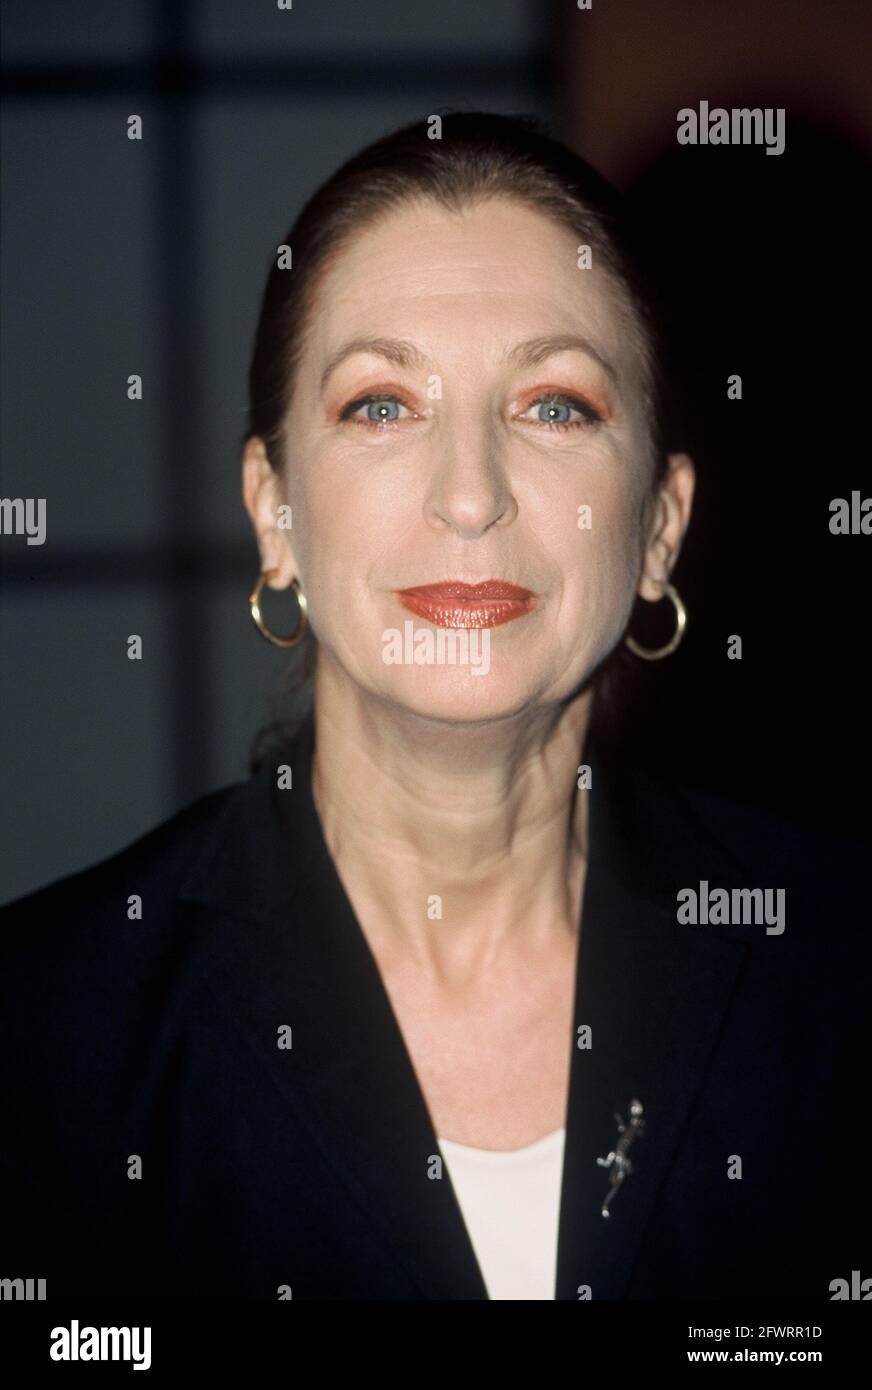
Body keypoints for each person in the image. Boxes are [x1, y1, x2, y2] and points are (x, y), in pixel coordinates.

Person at [0, 112, 868, 1302]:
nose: (469, 496)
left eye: (553, 405)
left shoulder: (835, 961)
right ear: (276, 512)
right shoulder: (45, 1035)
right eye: (381, 405)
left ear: (658, 527)